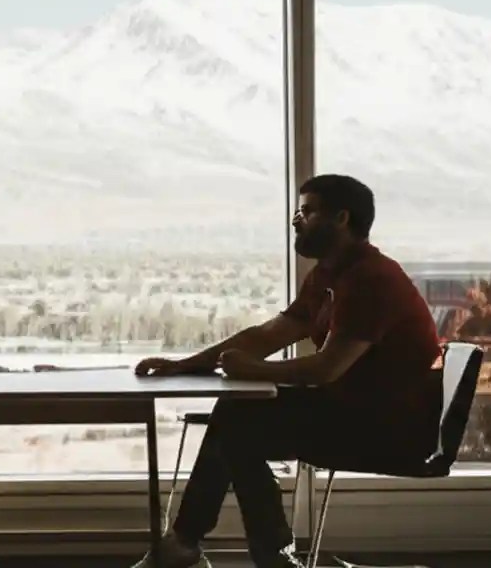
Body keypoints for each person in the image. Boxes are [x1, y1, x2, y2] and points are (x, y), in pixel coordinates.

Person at [131, 175, 442, 568]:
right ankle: (217, 548)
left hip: (392, 428)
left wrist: (254, 369)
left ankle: (217, 549)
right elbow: (267, 335)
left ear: (341, 218)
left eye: (308, 211)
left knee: (238, 429)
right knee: (236, 418)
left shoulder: (371, 279)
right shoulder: (329, 275)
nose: (296, 220)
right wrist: (187, 364)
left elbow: (327, 368)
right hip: (356, 410)